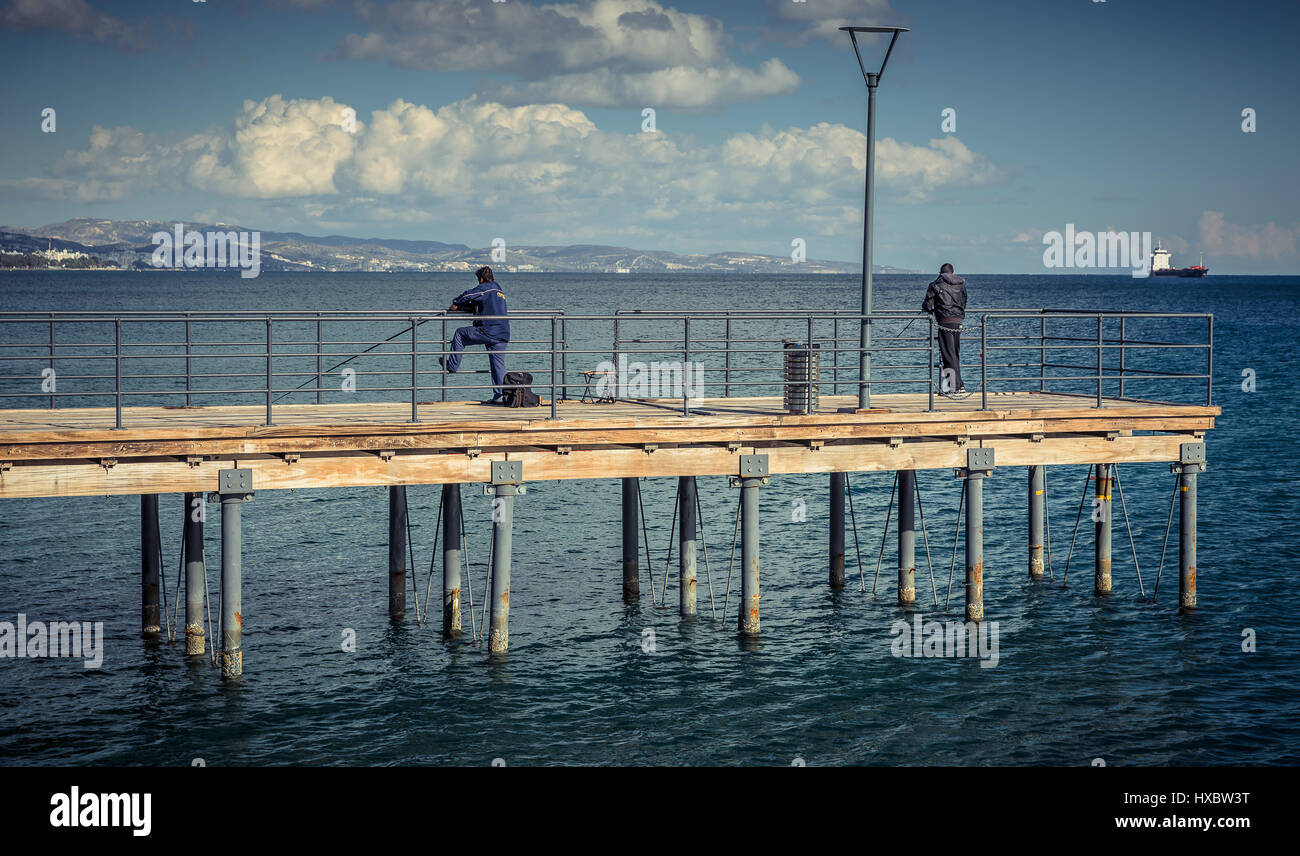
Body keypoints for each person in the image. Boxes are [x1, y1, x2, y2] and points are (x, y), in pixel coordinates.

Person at [443, 266, 510, 403]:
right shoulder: (498, 289)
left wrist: (456, 304)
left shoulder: (486, 287)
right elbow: (482, 302)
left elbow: (468, 295)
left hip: (490, 330)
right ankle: (500, 396)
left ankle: (452, 366)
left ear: (481, 279)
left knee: (460, 334)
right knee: (498, 364)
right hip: (503, 332)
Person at [922, 263, 967, 394]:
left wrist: (929, 309)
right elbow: (964, 301)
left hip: (945, 321)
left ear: (940, 273)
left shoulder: (935, 285)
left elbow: (928, 304)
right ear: (953, 273)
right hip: (958, 320)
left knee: (948, 354)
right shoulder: (960, 284)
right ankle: (957, 386)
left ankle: (956, 387)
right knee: (954, 353)